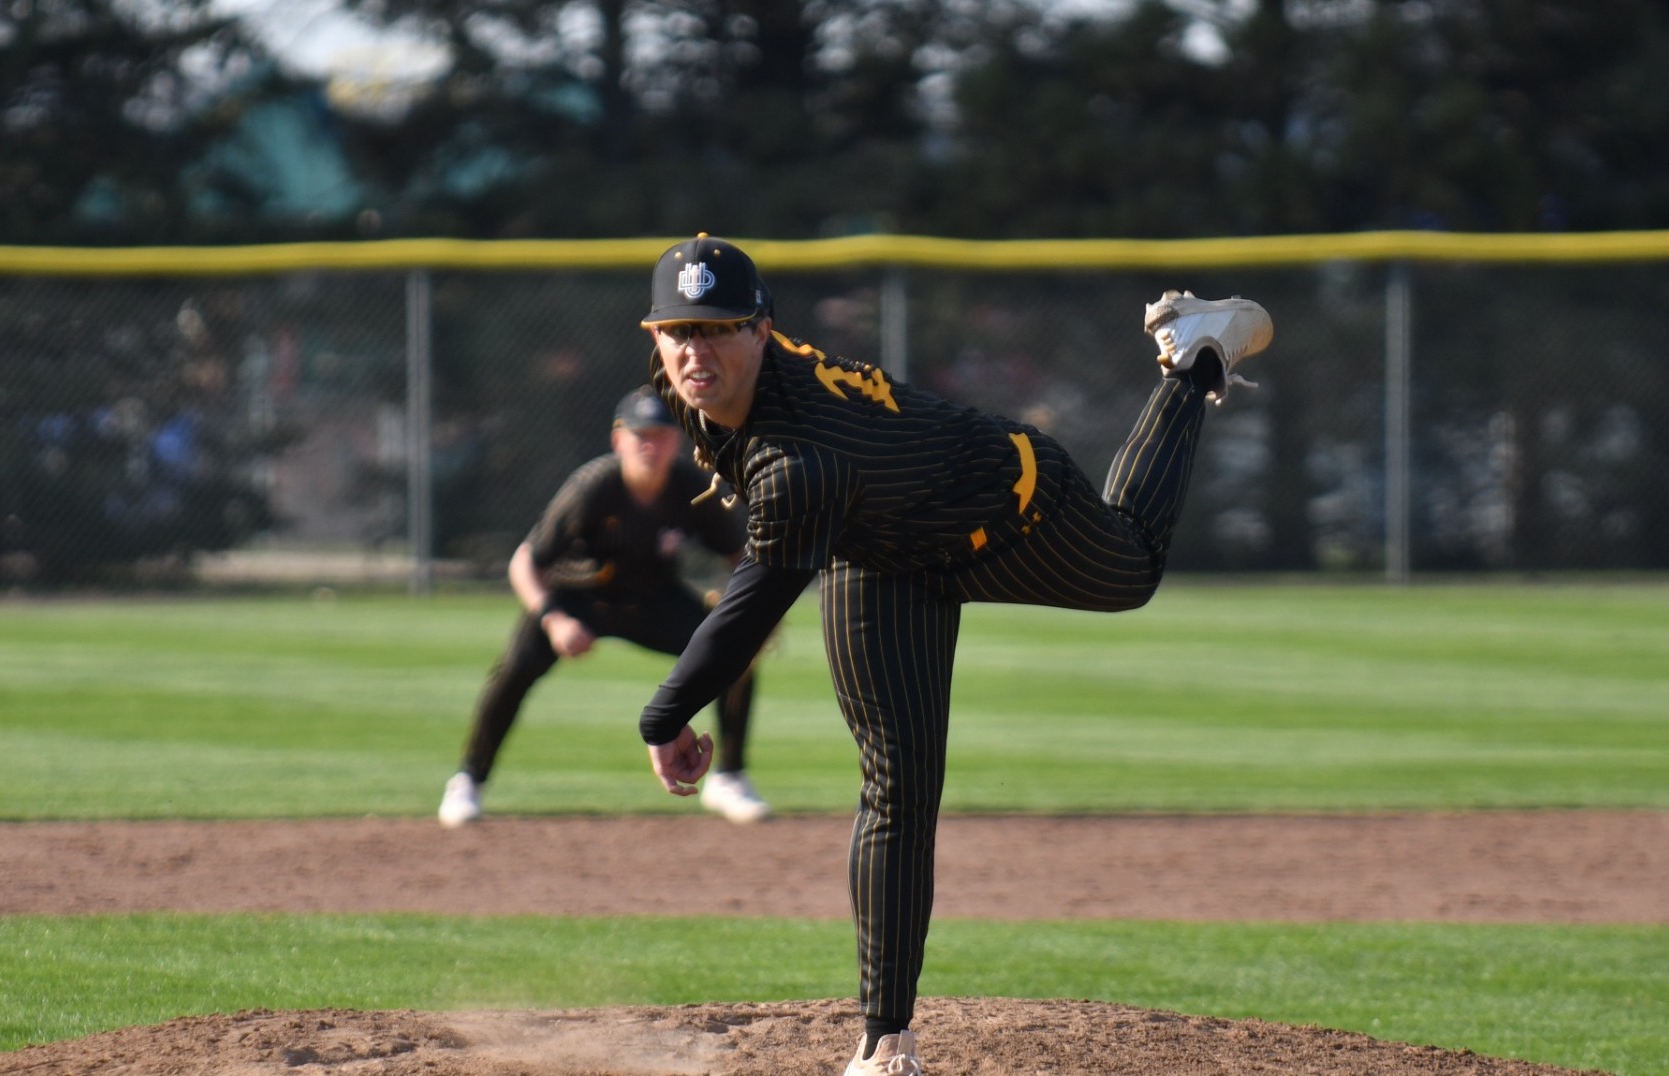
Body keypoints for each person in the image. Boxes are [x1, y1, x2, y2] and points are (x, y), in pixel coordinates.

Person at [629, 234, 1274, 1075]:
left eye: (716, 330)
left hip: (1008, 504)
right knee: (898, 782)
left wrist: (663, 713)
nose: (693, 350)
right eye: (677, 330)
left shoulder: (802, 464)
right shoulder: (689, 387)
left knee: (1131, 568)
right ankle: (884, 1040)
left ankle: (1192, 358)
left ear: (761, 331)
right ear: (654, 338)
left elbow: (752, 606)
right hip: (877, 548)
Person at [438, 386, 772, 828]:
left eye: (662, 434)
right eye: (641, 435)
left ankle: (729, 777)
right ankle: (468, 780)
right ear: (619, 440)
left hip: (652, 598)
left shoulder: (691, 488)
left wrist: (750, 613)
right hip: (577, 598)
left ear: (679, 440)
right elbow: (525, 563)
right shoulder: (594, 486)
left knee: (735, 655)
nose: (651, 445)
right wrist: (554, 620)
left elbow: (742, 557)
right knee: (514, 669)